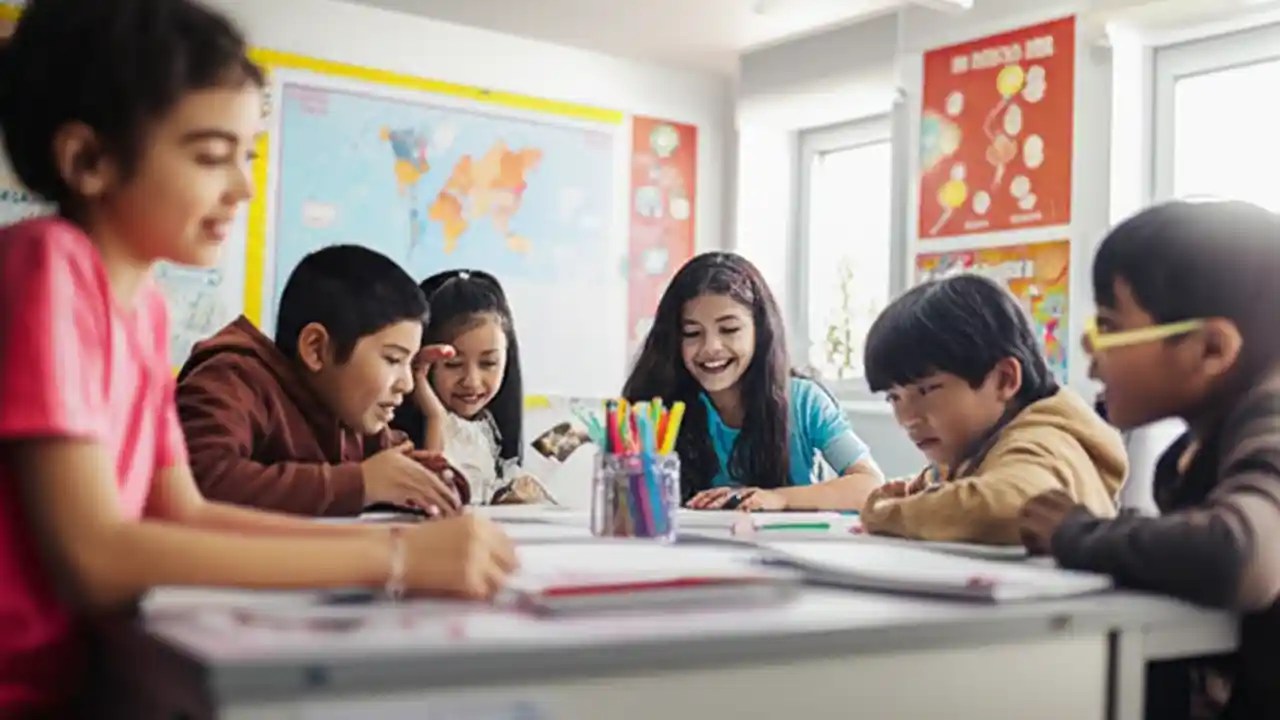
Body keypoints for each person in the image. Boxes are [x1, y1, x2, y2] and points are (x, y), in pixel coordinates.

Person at [0, 2, 514, 712]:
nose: (241, 187)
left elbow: (179, 511)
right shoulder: (48, 268)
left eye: (247, 155)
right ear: (88, 159)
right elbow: (97, 558)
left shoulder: (145, 307)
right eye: (212, 156)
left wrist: (406, 545)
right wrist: (392, 558)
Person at [1021, 200, 1280, 719]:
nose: (1091, 358)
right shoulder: (1188, 457)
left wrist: (1079, 533)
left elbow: (1245, 555)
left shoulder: (1270, 420)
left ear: (1210, 348)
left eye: (1109, 328)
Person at [177, 245, 466, 516]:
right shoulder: (234, 379)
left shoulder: (349, 413)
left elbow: (399, 468)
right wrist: (361, 483)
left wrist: (434, 480)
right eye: (393, 360)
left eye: (410, 363)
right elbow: (198, 481)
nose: (407, 383)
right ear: (316, 348)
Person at [860, 274, 1126, 544]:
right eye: (894, 397)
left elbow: (1013, 506)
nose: (908, 419)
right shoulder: (978, 447)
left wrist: (888, 514)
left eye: (927, 390)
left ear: (1004, 379)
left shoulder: (1044, 439)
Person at [623, 252, 883, 510]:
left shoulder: (804, 402)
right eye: (692, 333)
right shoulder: (660, 405)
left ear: (760, 331)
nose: (711, 347)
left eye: (729, 330)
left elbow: (869, 484)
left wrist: (779, 498)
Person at [391, 270, 551, 504]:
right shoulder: (408, 436)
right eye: (454, 364)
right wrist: (434, 415)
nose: (472, 381)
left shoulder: (488, 426)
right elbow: (438, 491)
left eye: (489, 363)